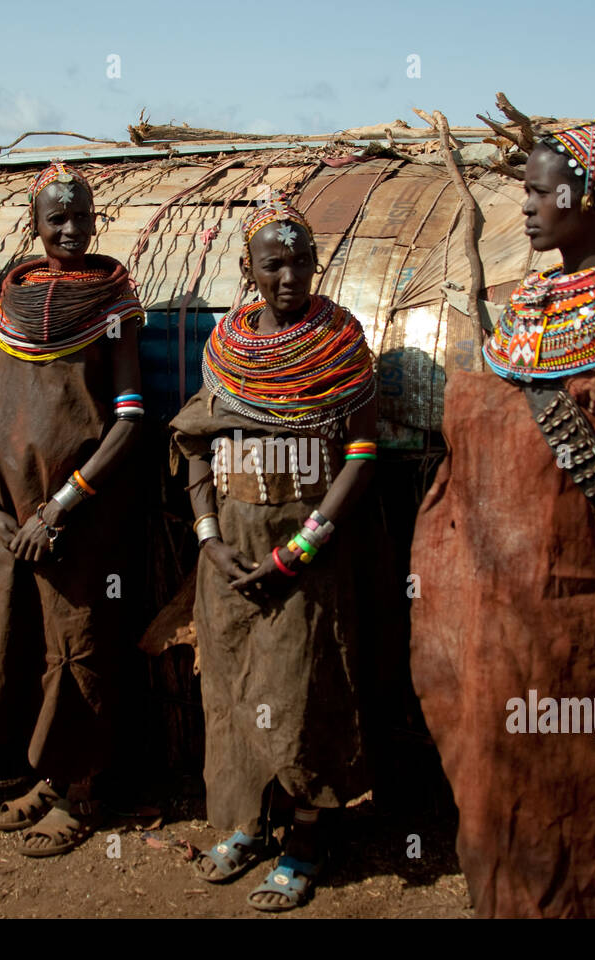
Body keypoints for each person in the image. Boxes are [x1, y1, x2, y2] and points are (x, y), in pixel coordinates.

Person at [410, 126, 595, 916]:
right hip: (495, 611)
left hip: (580, 609)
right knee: (498, 780)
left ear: (587, 200)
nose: (529, 207)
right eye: (526, 191)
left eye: (542, 193)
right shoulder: (525, 306)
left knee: (573, 789)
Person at [169, 193, 378, 912]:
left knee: (299, 691)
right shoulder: (224, 347)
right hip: (227, 550)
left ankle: (308, 839)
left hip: (304, 549)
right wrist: (208, 538)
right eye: (274, 263)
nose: (290, 276)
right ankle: (247, 823)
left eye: (302, 262)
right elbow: (195, 441)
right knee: (230, 693)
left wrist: (300, 549)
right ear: (247, 268)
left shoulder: (341, 341)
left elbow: (360, 453)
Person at [0, 164, 144, 856]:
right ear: (34, 222)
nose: (70, 229)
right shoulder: (8, 303)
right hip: (12, 513)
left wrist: (61, 505)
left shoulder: (113, 303)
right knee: (26, 640)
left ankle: (84, 791)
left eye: (81, 216)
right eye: (56, 217)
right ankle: (47, 773)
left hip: (80, 511)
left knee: (78, 644)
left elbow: (128, 421)